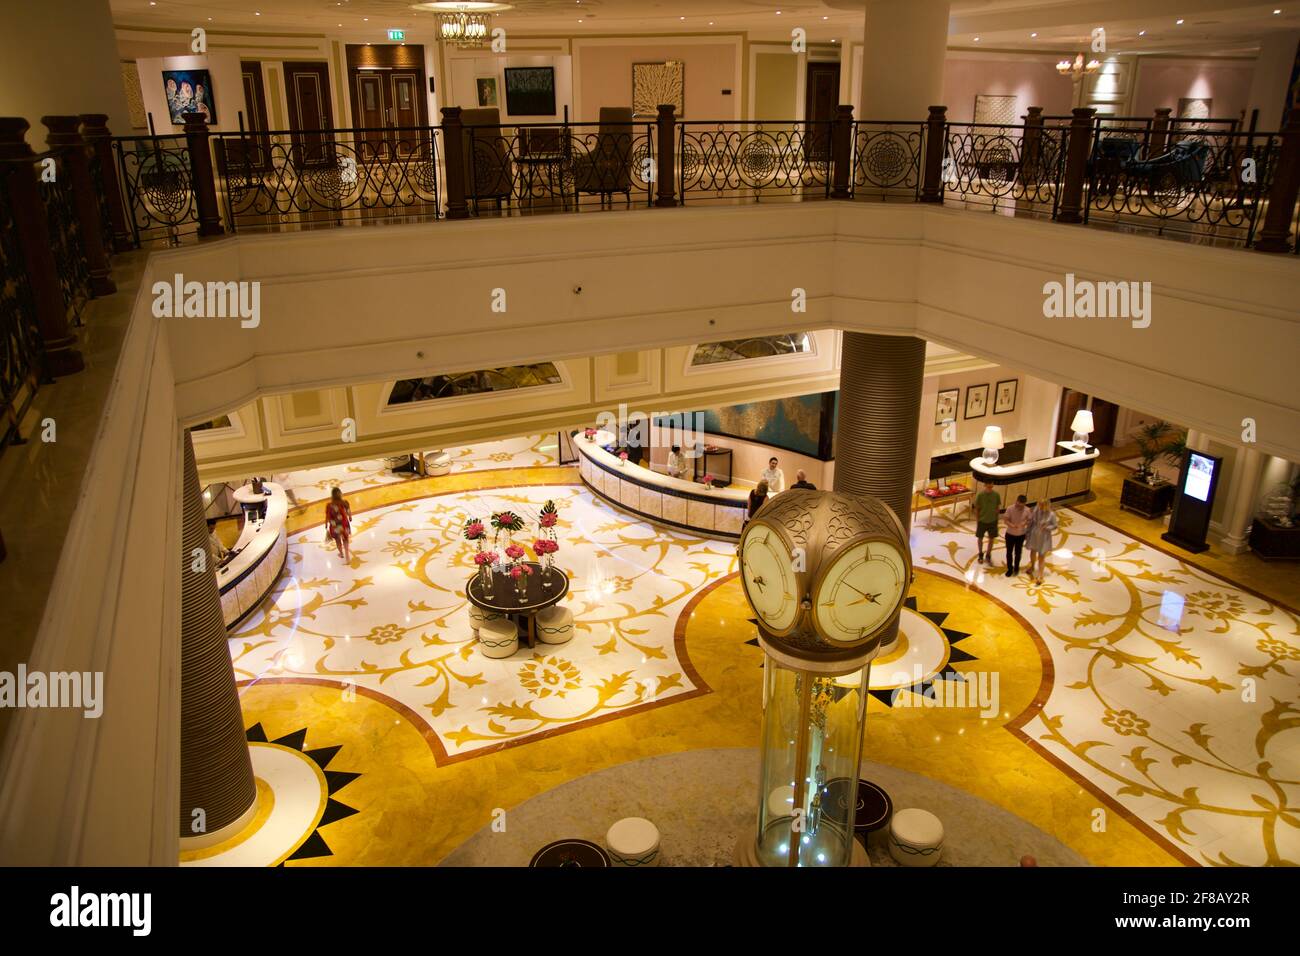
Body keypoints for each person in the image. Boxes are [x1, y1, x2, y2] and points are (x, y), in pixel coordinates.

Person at [1026, 498, 1059, 585]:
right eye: (1039, 505)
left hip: (1044, 536)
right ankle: (1032, 566)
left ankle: (1040, 575)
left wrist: (1046, 527)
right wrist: (1027, 532)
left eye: (1041, 505)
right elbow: (1032, 522)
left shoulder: (1051, 514)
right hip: (1035, 533)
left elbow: (1055, 526)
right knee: (1033, 551)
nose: (1039, 507)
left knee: (1041, 556)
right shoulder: (1036, 511)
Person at [1002, 494, 1032, 578]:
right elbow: (1005, 520)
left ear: (1024, 504)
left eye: (1022, 505)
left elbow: (1030, 520)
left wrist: (1025, 523)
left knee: (1018, 553)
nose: (1019, 506)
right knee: (1009, 552)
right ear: (1016, 501)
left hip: (1021, 535)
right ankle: (1009, 569)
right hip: (1010, 534)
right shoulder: (1010, 508)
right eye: (1018, 504)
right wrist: (1011, 525)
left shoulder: (1027, 510)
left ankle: (1016, 567)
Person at [973, 481, 1001, 566]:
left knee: (991, 539)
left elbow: (997, 508)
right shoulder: (980, 495)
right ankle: (980, 554)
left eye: (991, 487)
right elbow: (977, 509)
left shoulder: (996, 495)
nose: (990, 489)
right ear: (985, 485)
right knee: (980, 538)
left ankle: (988, 555)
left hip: (992, 521)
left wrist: (997, 519)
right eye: (988, 487)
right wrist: (978, 520)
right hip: (982, 521)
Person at [325, 486, 353, 563]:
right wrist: (350, 517)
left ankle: (341, 553)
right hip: (344, 524)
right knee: (345, 539)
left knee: (338, 540)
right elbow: (349, 513)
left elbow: (328, 516)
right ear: (340, 494)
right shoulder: (345, 503)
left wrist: (326, 524)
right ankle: (347, 555)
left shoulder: (329, 505)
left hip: (334, 526)